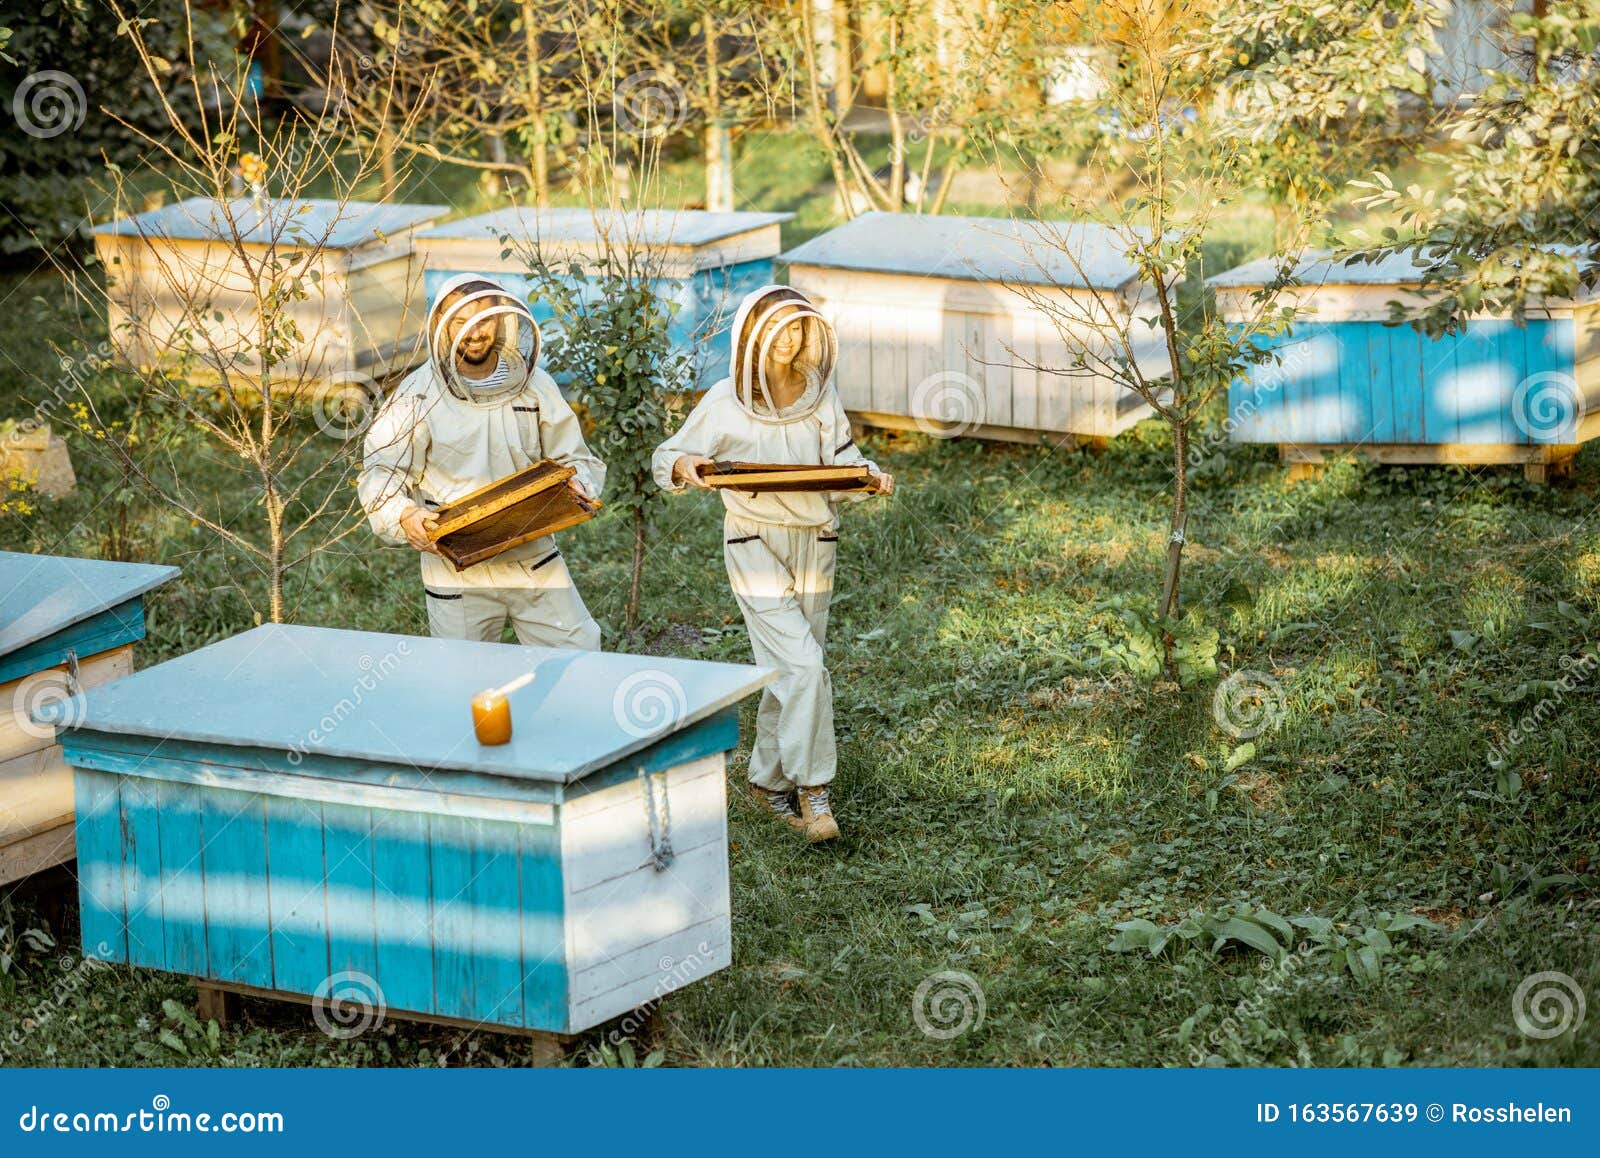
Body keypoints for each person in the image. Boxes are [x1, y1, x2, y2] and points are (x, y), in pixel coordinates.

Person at [653, 285, 894, 843]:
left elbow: (840, 462)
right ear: (753, 337)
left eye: (798, 329)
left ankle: (764, 783)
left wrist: (870, 477)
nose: (790, 340)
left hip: (816, 541)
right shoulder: (724, 400)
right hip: (753, 543)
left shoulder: (819, 393)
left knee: (788, 670)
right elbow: (667, 457)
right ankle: (814, 793)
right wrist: (689, 464)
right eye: (779, 330)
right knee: (805, 669)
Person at [359, 274, 607, 649]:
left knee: (578, 651)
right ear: (442, 324)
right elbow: (383, 469)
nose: (474, 332)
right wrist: (404, 516)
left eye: (484, 319)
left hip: (532, 554)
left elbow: (573, 456)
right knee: (463, 677)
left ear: (502, 319)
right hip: (456, 565)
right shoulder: (417, 394)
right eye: (461, 321)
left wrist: (578, 484)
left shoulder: (535, 385)